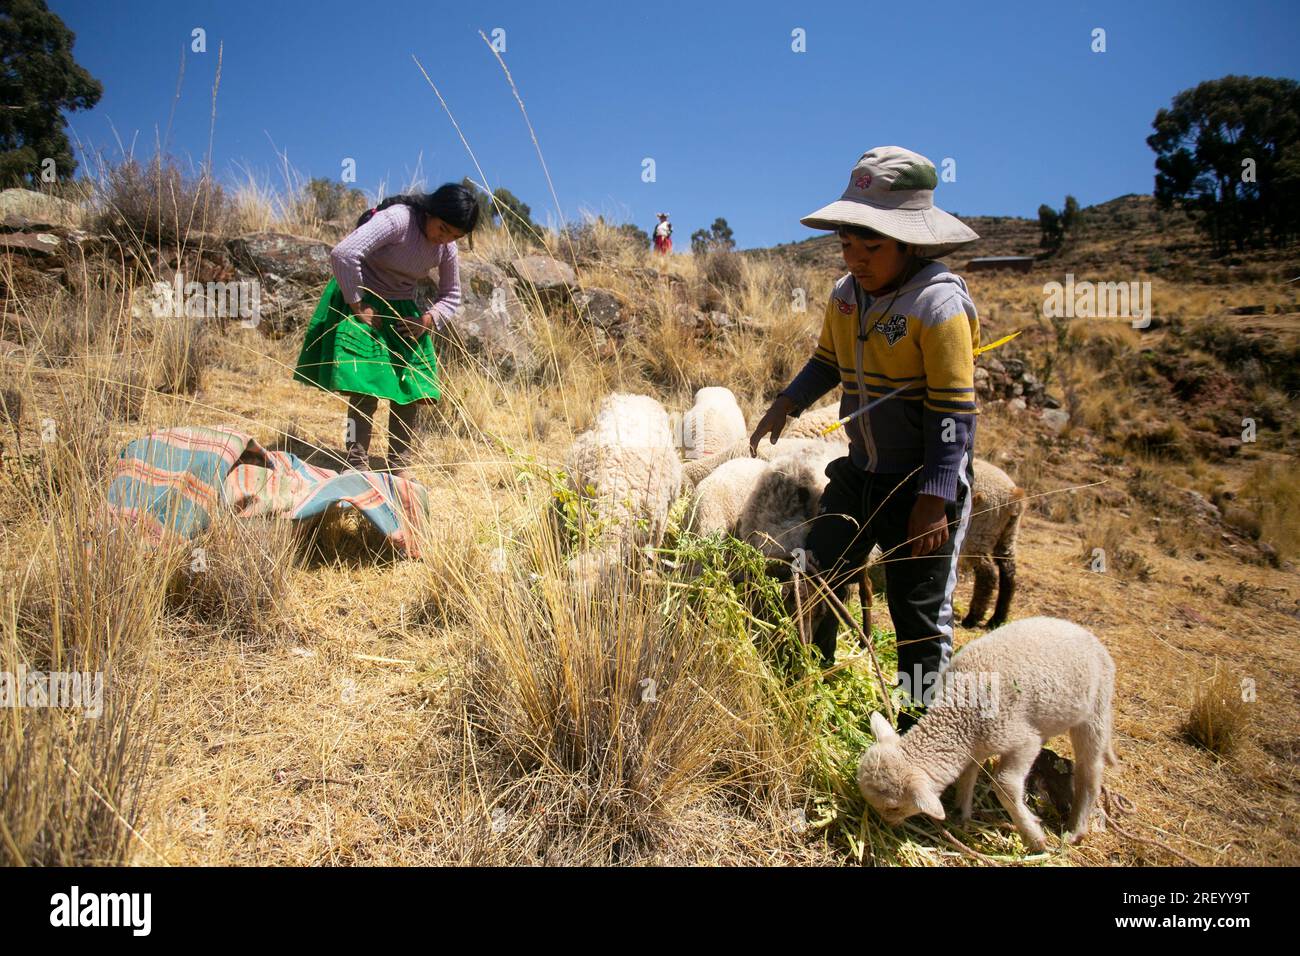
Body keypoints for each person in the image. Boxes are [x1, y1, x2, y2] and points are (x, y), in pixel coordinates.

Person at [749, 146, 981, 732]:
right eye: (848, 244)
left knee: (917, 611)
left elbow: (954, 411)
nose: (856, 257)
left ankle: (921, 735)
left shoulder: (939, 304)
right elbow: (827, 361)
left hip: (923, 481)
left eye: (871, 246)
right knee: (817, 572)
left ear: (911, 243)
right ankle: (807, 692)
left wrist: (934, 498)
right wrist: (787, 402)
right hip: (861, 470)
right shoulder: (846, 296)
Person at [293, 183, 480, 476]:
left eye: (455, 236)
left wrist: (426, 321)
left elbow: (452, 294)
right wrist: (358, 304)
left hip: (402, 313)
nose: (444, 240)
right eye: (442, 229)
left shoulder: (447, 249)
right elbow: (344, 253)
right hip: (364, 301)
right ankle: (356, 463)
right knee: (365, 388)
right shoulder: (398, 220)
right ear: (430, 211)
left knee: (410, 388)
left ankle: (399, 466)